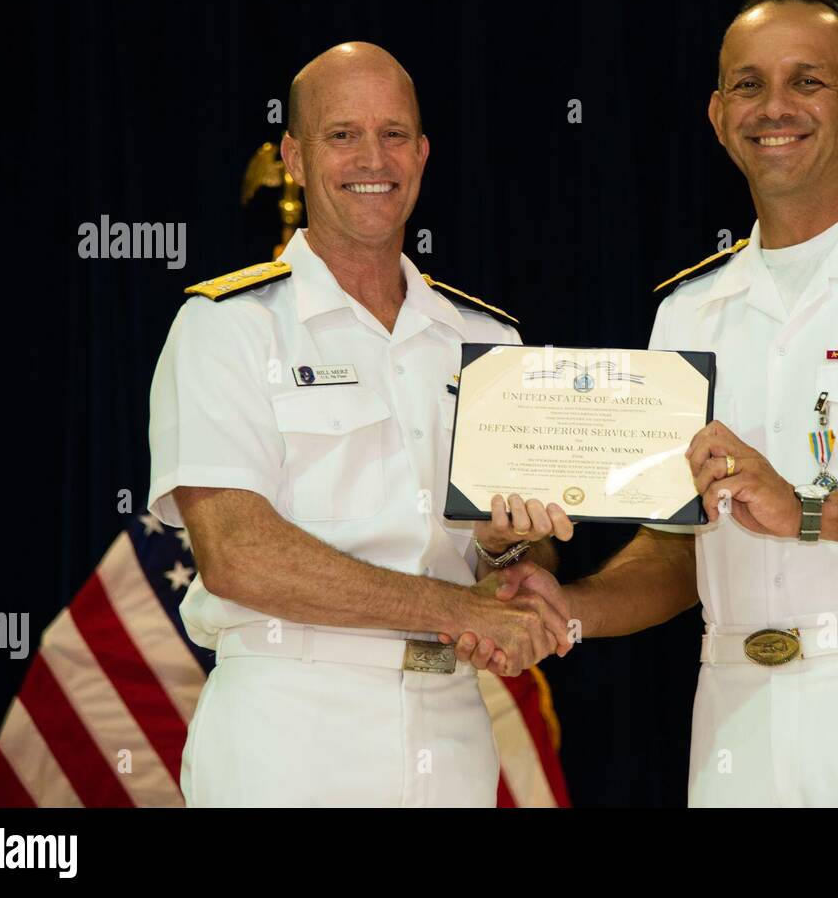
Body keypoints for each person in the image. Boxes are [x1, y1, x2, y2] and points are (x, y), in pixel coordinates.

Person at [458, 0, 838, 806]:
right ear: (717, 116)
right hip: (738, 720)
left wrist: (812, 510)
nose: (773, 106)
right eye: (748, 84)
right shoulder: (689, 308)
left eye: (806, 81)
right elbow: (681, 548)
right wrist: (570, 608)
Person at [147, 42, 573, 807]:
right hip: (291, 729)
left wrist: (505, 550)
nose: (372, 157)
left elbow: (518, 550)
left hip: (452, 732)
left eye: (395, 133)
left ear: (423, 152)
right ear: (295, 157)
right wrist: (454, 607)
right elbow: (239, 556)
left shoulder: (487, 340)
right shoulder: (227, 328)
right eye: (342, 135)